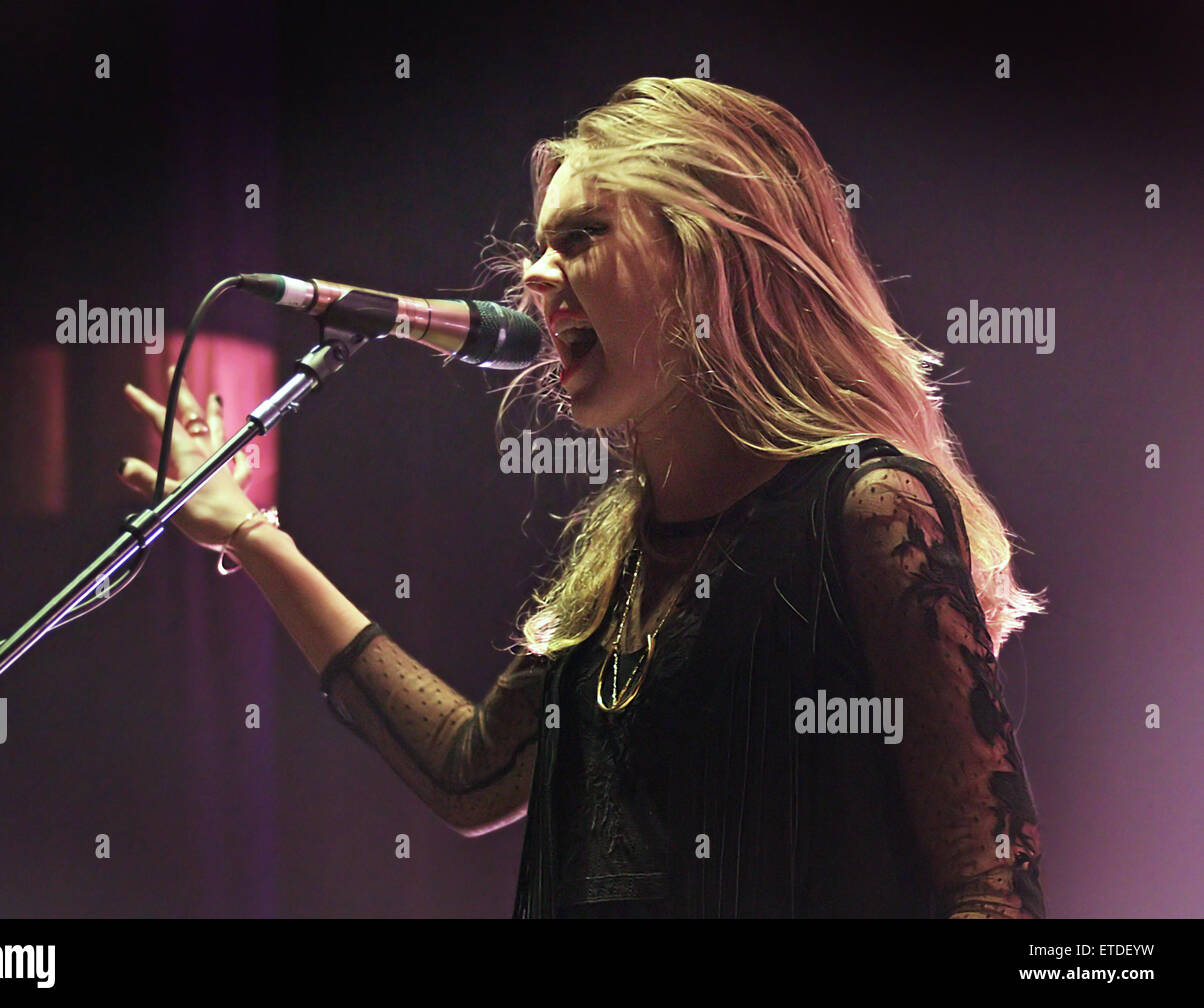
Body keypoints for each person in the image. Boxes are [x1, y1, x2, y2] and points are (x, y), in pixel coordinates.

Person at [117, 77, 1046, 918]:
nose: (532, 273)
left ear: (705, 257)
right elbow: (473, 772)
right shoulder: (624, 554)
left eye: (579, 237)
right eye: (537, 243)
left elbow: (991, 882)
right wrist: (252, 535)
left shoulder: (868, 508)